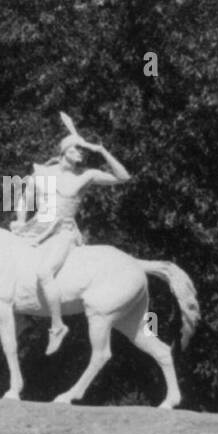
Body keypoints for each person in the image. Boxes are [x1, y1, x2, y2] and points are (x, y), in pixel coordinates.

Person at [10, 118, 131, 354]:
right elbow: (25, 200)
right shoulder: (43, 173)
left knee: (44, 271)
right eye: (77, 149)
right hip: (36, 229)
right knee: (7, 265)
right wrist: (20, 220)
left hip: (63, 233)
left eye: (84, 151)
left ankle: (57, 327)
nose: (81, 154)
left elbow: (123, 177)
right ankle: (18, 315)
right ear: (65, 151)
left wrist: (101, 149)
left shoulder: (85, 176)